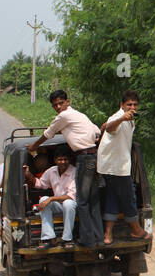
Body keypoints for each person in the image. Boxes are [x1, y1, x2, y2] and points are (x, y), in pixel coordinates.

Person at [28, 90, 102, 248]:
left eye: (61, 103)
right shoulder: (80, 115)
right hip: (94, 156)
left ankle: (86, 239)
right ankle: (98, 238)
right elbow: (97, 131)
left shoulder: (64, 116)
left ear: (67, 102)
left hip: (84, 157)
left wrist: (34, 146)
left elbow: (48, 134)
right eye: (55, 105)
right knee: (93, 201)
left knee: (81, 201)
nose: (58, 107)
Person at [98, 90, 150, 246]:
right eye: (129, 104)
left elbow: (106, 127)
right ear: (122, 105)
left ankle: (108, 234)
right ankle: (136, 230)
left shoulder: (128, 118)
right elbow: (110, 128)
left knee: (113, 198)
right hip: (116, 166)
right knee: (129, 198)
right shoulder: (119, 117)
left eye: (135, 104)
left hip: (111, 165)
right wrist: (120, 118)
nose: (132, 107)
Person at [32, 148, 77, 249]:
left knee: (68, 203)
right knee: (43, 200)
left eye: (65, 159)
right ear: (55, 160)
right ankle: (49, 238)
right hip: (58, 205)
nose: (63, 162)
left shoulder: (74, 172)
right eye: (60, 159)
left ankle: (67, 239)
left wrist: (51, 199)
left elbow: (71, 196)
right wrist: (28, 174)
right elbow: (41, 184)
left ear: (69, 160)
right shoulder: (52, 171)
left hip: (72, 206)